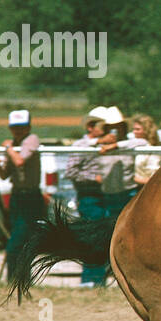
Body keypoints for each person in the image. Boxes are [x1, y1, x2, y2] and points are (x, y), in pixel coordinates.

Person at [65, 106, 114, 287]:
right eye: (103, 126)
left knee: (101, 236)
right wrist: (94, 178)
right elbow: (71, 171)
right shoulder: (80, 146)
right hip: (89, 195)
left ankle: (97, 278)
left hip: (105, 194)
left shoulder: (107, 144)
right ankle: (89, 278)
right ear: (91, 127)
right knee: (92, 235)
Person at [0, 109, 44, 280]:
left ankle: (16, 278)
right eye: (15, 127)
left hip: (31, 197)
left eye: (22, 127)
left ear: (29, 127)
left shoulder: (31, 140)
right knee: (17, 237)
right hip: (17, 196)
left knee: (18, 240)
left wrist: (8, 148)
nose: (18, 130)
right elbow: (4, 175)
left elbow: (20, 160)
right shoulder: (12, 145)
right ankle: (18, 278)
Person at [131, 114, 161, 187]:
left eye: (137, 129)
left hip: (146, 188)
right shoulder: (136, 145)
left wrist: (134, 179)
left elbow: (154, 177)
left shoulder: (152, 149)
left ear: (146, 130)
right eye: (134, 129)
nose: (134, 132)